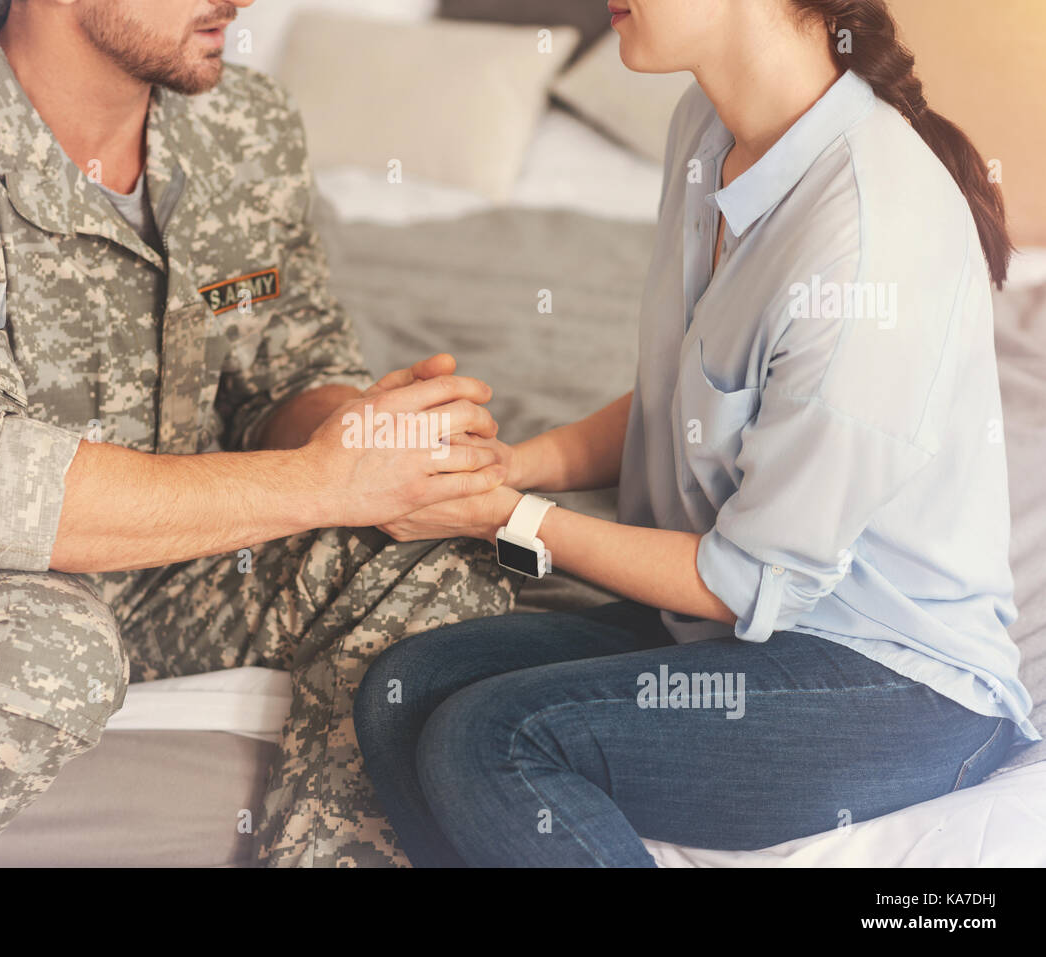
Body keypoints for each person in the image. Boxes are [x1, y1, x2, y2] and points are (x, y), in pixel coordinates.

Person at [0, 0, 514, 868]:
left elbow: (285, 360)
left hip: (184, 544)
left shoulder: (248, 123)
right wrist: (325, 481)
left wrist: (369, 438)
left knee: (439, 564)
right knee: (45, 646)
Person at [353, 0, 1041, 867]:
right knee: (401, 695)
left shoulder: (866, 234)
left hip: (889, 684)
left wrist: (505, 515)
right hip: (722, 633)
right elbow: (688, 397)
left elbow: (744, 581)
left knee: (490, 739)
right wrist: (510, 463)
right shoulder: (706, 126)